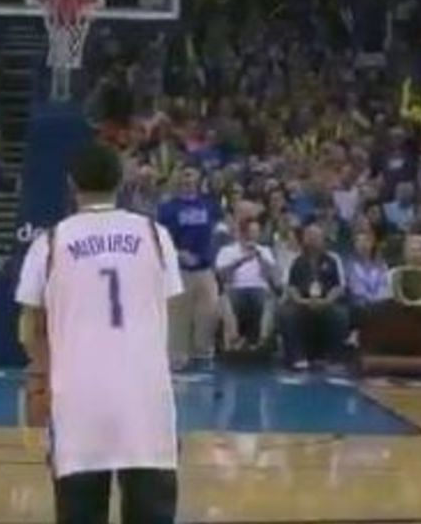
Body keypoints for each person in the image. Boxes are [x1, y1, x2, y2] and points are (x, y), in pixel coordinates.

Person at [16, 141, 182, 524]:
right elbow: (170, 314)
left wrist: (41, 373)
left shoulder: (51, 242)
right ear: (121, 181)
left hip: (78, 404)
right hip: (146, 405)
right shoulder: (156, 236)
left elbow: (28, 328)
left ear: (71, 183)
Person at [158, 163, 221, 369]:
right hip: (179, 271)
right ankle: (176, 360)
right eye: (184, 175)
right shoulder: (168, 209)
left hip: (204, 270)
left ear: (199, 179)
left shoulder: (210, 205)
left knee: (207, 316)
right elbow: (161, 239)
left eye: (191, 175)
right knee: (178, 319)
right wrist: (178, 254)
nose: (187, 180)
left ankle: (203, 357)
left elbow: (217, 233)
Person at [280, 222, 348, 370]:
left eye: (316, 236)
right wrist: (303, 301)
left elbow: (339, 287)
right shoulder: (295, 260)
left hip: (327, 301)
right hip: (301, 302)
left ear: (323, 239)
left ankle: (333, 359)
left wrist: (326, 301)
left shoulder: (333, 259)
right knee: (287, 314)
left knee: (340, 314)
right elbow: (290, 287)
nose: (313, 239)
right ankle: (297, 358)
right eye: (309, 236)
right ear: (304, 238)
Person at [215, 217, 277, 349]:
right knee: (223, 299)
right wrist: (240, 261)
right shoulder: (227, 251)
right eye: (251, 231)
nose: (254, 235)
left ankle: (262, 340)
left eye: (257, 231)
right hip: (234, 289)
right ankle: (234, 339)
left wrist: (259, 257)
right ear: (243, 232)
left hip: (260, 290)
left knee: (270, 300)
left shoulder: (265, 250)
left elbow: (271, 276)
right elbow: (221, 276)